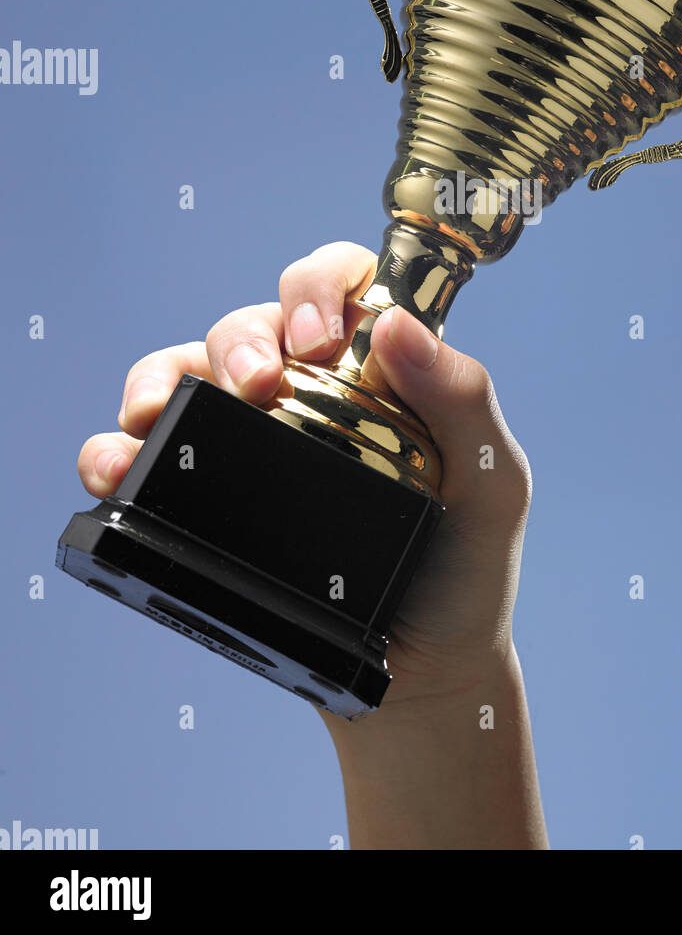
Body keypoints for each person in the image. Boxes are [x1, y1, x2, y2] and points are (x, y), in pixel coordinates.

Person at [76, 240, 549, 850]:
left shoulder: (435, 648)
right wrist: (433, 700)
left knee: (270, 376)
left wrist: (439, 694)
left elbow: (417, 680)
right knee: (265, 374)